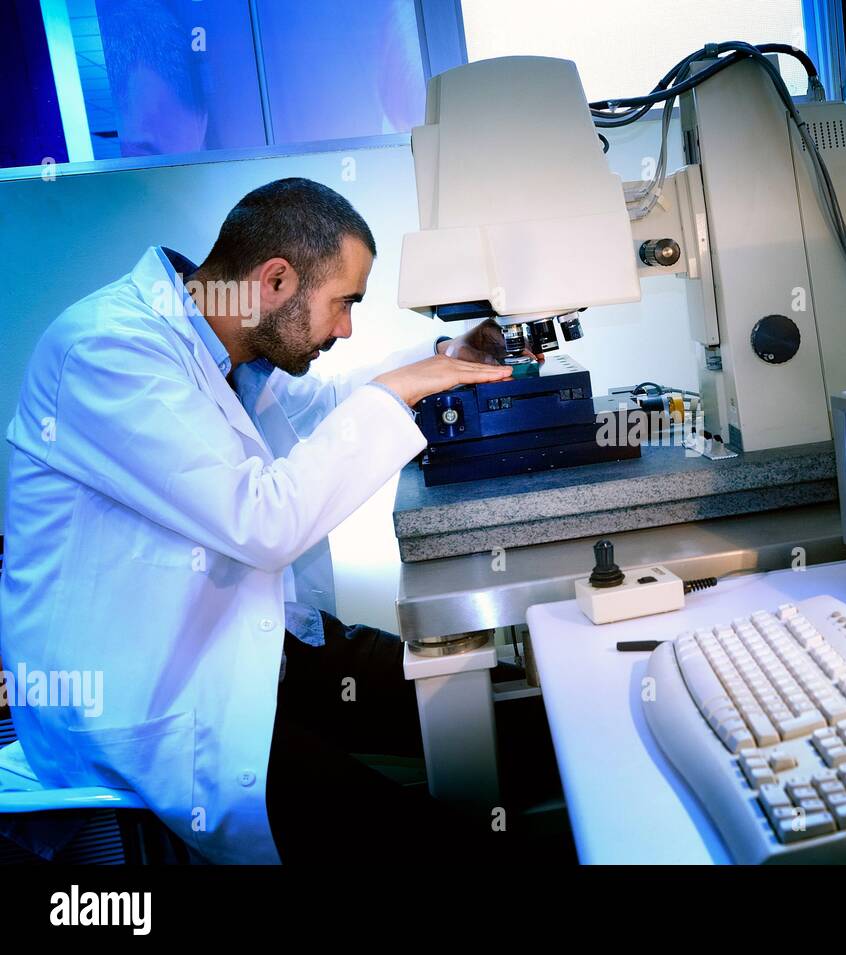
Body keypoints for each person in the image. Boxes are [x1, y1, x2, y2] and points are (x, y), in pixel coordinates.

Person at [0, 177, 522, 863]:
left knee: (502, 709)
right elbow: (262, 519)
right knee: (434, 848)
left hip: (260, 648)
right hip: (155, 698)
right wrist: (401, 389)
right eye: (344, 304)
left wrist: (446, 360)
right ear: (275, 279)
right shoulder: (107, 352)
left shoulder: (230, 351)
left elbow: (332, 405)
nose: (346, 328)